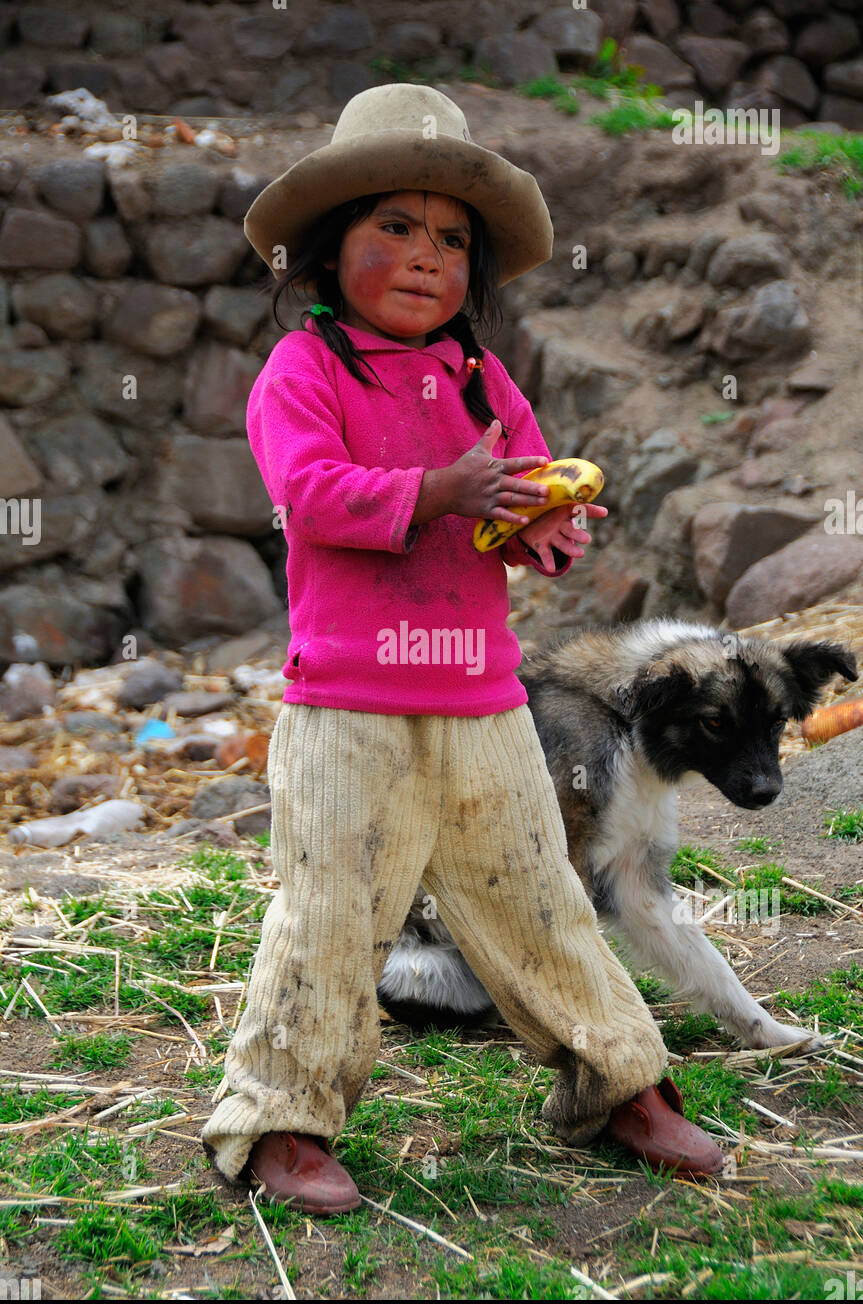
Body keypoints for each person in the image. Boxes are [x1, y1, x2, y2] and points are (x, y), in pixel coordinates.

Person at [201, 84, 724, 1212]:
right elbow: (308, 492)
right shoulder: (305, 373)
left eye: (449, 238)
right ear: (329, 246)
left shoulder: (484, 380)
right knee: (327, 913)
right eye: (392, 225)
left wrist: (545, 528)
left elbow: (526, 504)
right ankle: (279, 1119)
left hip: (484, 702)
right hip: (347, 706)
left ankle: (617, 1082)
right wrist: (442, 488)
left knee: (538, 899)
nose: (425, 255)